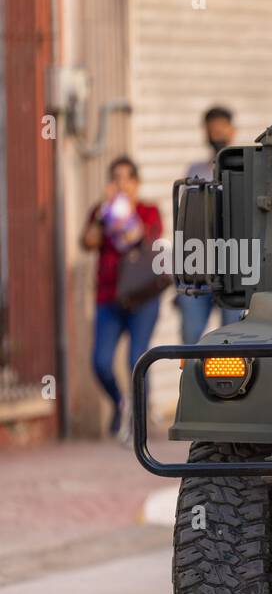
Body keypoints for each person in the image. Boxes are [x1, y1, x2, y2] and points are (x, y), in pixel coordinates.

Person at [82, 156, 163, 438]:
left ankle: (138, 423)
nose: (120, 183)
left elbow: (145, 238)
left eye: (126, 178)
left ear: (136, 183)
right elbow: (88, 242)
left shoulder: (148, 210)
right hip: (108, 299)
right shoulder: (102, 212)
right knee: (101, 362)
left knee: (137, 359)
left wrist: (124, 212)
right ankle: (120, 403)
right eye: (115, 178)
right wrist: (105, 211)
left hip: (142, 298)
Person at [177, 105, 242, 344]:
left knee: (233, 338)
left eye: (220, 129)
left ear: (232, 131)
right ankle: (194, 380)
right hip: (199, 262)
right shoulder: (195, 171)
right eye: (211, 130)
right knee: (191, 336)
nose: (215, 135)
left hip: (235, 263)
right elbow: (185, 218)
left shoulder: (243, 167)